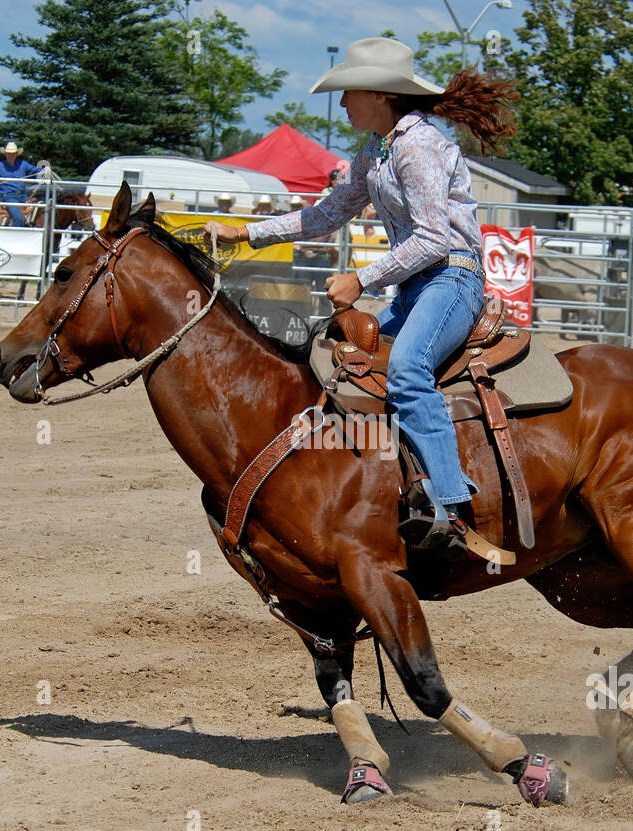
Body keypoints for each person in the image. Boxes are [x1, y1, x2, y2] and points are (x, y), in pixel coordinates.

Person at [205, 36, 516, 557]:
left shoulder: (417, 148)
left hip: (451, 279)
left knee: (409, 368)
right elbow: (326, 214)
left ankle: (451, 507)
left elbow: (436, 237)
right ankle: (387, 489)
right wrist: (247, 233)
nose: (343, 102)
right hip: (418, 287)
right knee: (352, 369)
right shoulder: (377, 151)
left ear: (378, 94)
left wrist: (361, 279)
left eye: (348, 92)